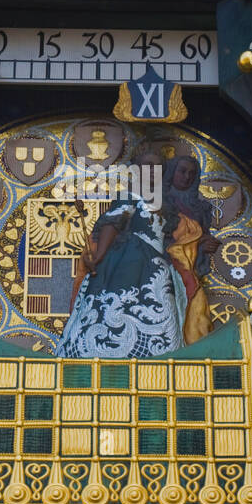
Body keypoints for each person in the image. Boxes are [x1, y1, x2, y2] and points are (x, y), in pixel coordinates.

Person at [56, 150, 185, 359]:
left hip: (157, 264)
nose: (153, 171)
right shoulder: (130, 195)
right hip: (131, 260)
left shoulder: (165, 200)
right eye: (147, 166)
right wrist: (99, 256)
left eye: (157, 166)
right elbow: (113, 224)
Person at [160, 154, 219, 345]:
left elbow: (200, 234)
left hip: (192, 265)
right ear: (171, 173)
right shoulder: (160, 203)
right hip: (167, 263)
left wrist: (207, 244)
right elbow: (160, 236)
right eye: (182, 171)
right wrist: (198, 243)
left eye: (192, 174)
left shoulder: (201, 208)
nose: (187, 177)